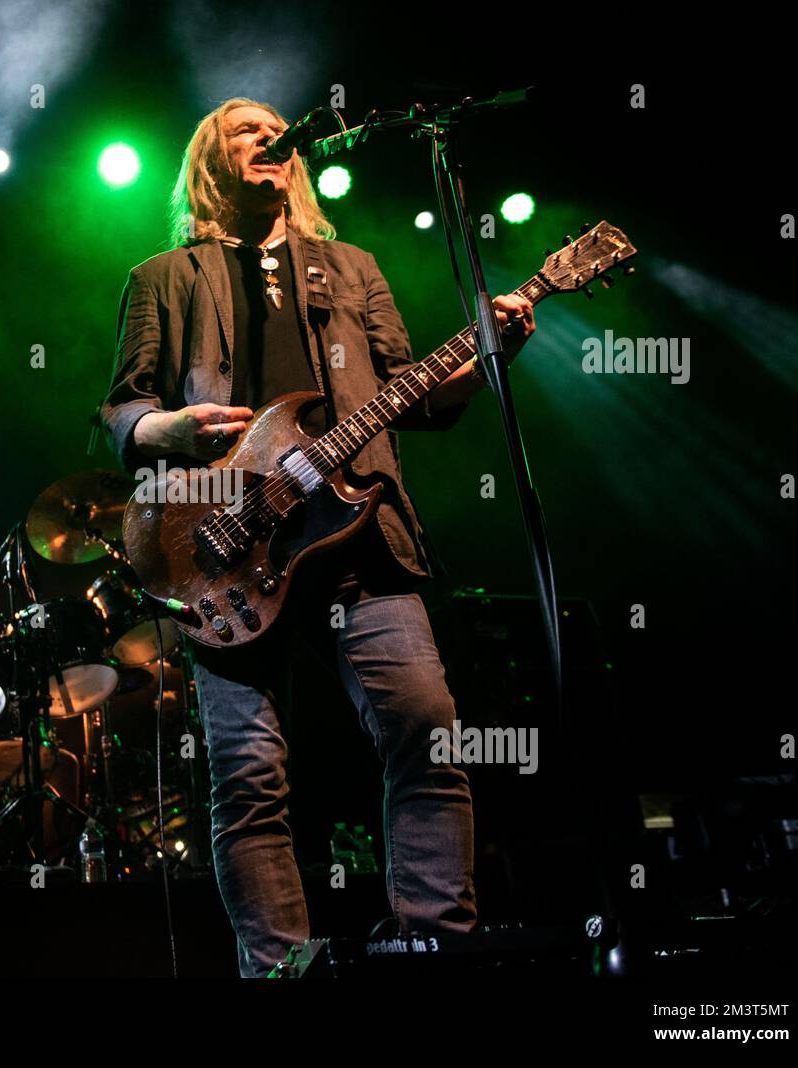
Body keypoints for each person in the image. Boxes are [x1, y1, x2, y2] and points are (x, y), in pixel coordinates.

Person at [101, 97, 536, 977]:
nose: (270, 139)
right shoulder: (163, 277)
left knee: (427, 730)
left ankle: (432, 946)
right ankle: (277, 968)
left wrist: (490, 353)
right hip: (222, 546)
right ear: (207, 164)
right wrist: (171, 431)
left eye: (275, 131)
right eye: (244, 131)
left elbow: (423, 396)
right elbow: (120, 412)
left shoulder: (350, 267)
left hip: (358, 536)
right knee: (250, 774)